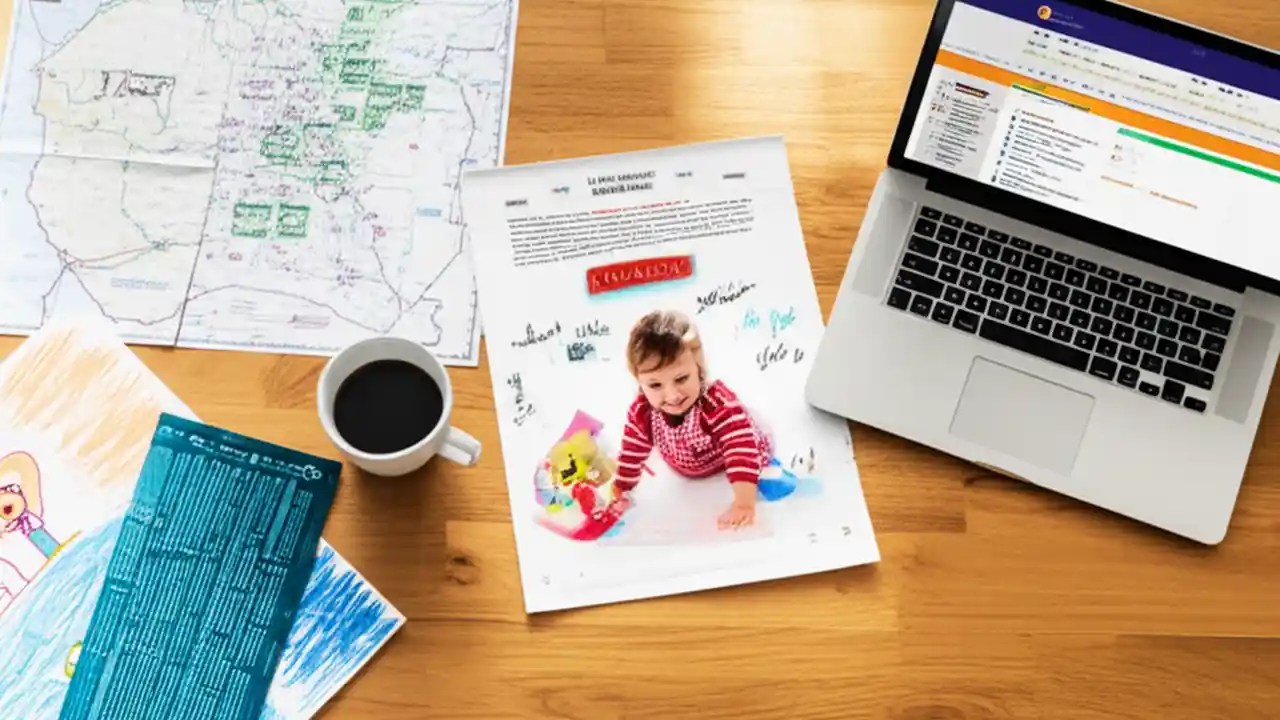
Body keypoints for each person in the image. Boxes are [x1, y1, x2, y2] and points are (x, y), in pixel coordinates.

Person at [613, 310, 772, 529]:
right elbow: (632, 452)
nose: (672, 395)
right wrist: (621, 488)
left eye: (681, 379)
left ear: (699, 368)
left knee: (753, 455)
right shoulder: (643, 411)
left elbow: (740, 450)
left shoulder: (717, 406)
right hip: (687, 469)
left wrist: (744, 504)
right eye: (655, 385)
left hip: (730, 460)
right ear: (640, 383)